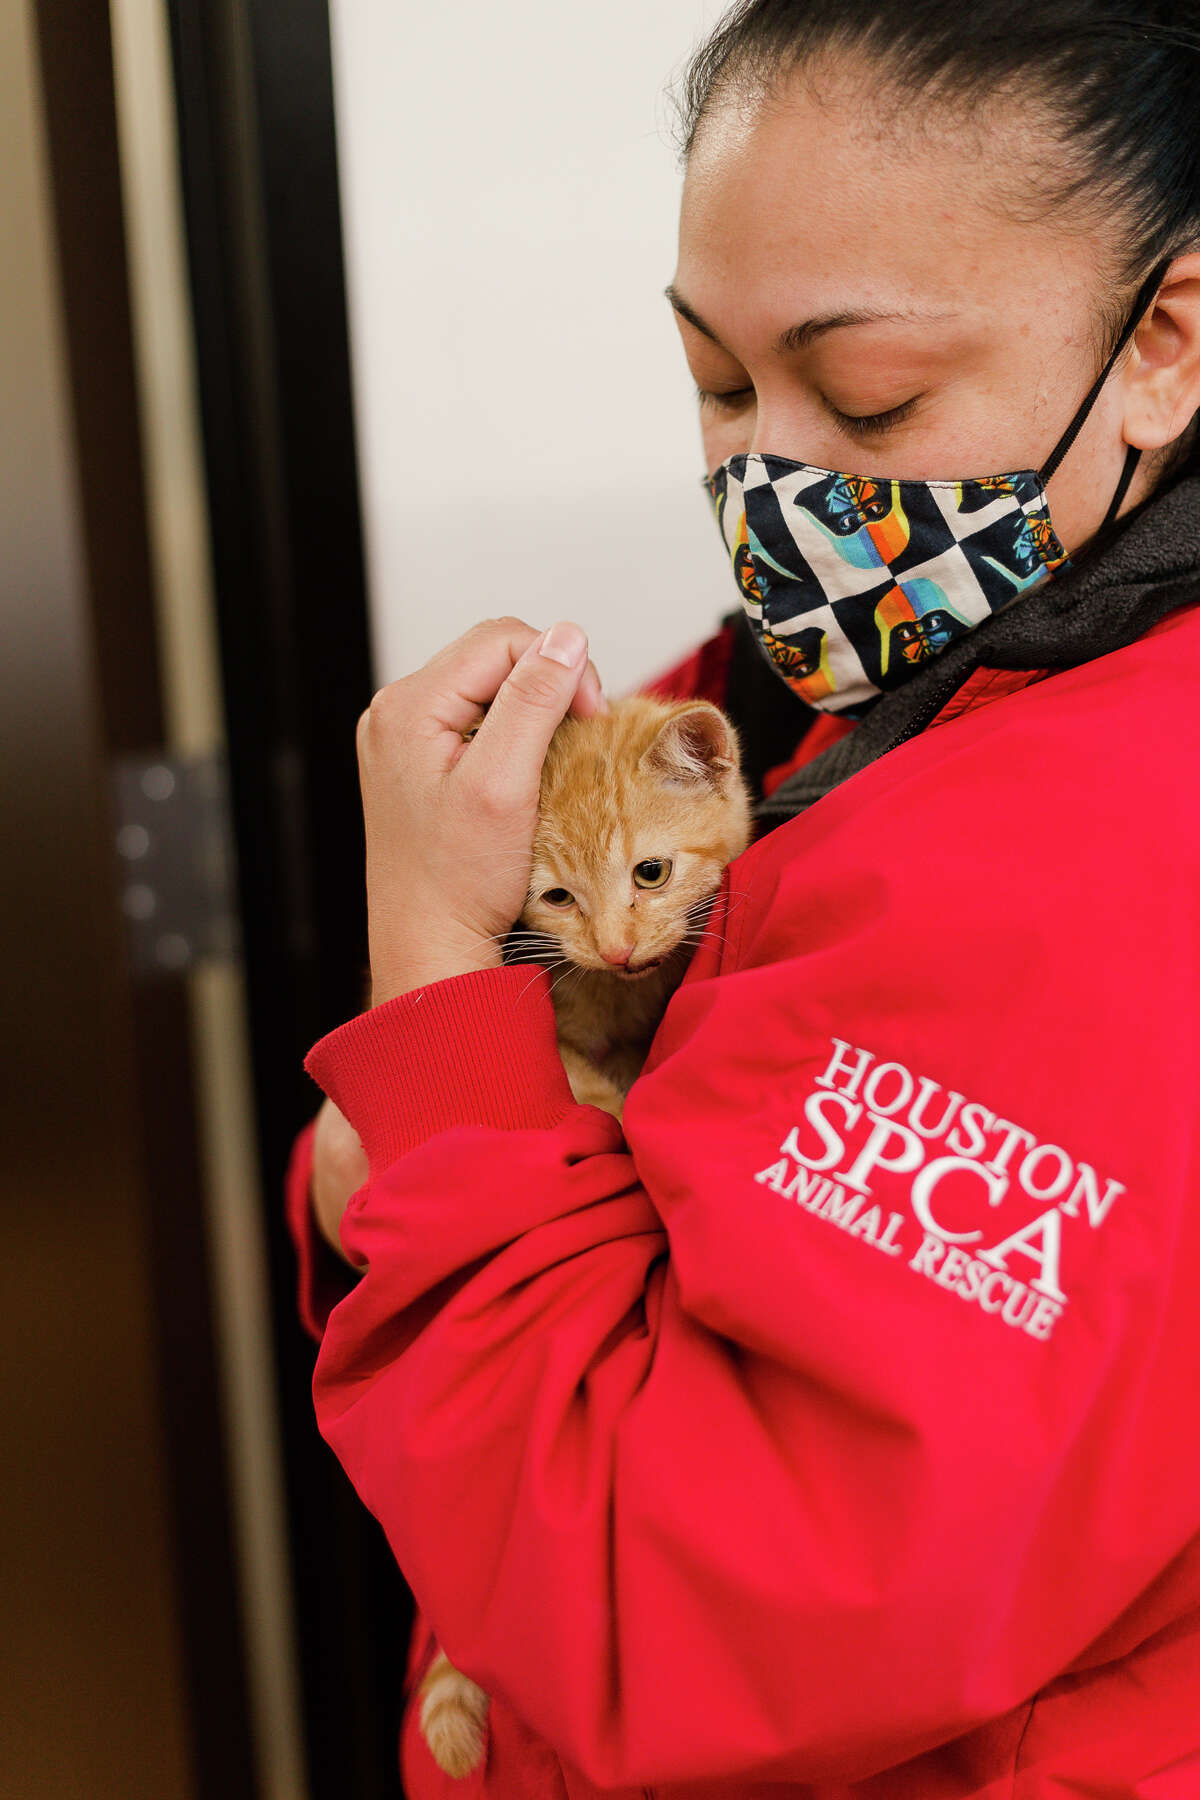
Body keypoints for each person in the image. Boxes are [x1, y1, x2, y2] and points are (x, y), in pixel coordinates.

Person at [285, 1, 1200, 1793]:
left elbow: (663, 1595)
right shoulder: (857, 678)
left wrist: (429, 997)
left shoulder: (1097, 863)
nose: (763, 478)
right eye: (715, 380)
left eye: (866, 399)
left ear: (1167, 340)